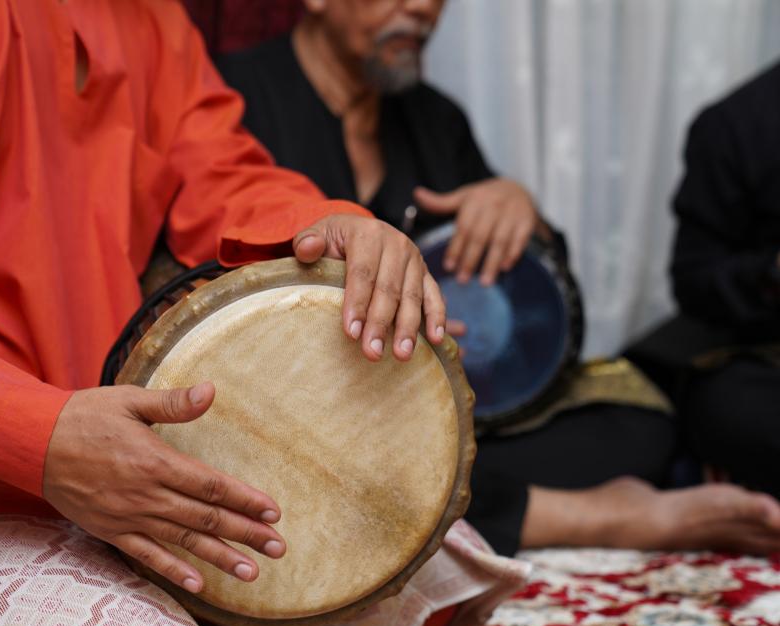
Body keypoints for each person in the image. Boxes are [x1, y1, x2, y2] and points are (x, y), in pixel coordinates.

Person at [0, 1, 526, 626]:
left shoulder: (152, 18)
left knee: (418, 561)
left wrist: (329, 226)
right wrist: (37, 436)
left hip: (115, 453)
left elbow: (224, 173)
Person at [216, 0, 780, 556]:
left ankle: (466, 505)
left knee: (641, 426)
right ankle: (582, 517)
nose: (421, 9)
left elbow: (541, 297)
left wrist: (518, 212)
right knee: (289, 464)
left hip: (433, 415)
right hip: (305, 414)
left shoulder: (434, 119)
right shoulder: (233, 101)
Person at [670, 59, 780, 501]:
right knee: (725, 407)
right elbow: (693, 278)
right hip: (769, 361)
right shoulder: (736, 124)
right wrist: (771, 272)